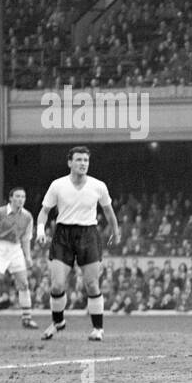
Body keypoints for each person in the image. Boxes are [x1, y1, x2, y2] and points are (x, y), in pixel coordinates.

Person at [36, 145, 121, 341]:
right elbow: (44, 212)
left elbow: (109, 212)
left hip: (88, 234)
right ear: (70, 163)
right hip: (63, 234)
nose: (83, 163)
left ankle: (98, 329)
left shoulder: (98, 186)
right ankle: (58, 322)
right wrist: (40, 231)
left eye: (86, 160)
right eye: (79, 160)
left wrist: (115, 232)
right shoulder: (57, 185)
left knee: (92, 284)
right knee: (57, 285)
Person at [0, 186, 38, 330]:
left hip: (15, 248)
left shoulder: (28, 216)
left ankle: (27, 319)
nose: (20, 199)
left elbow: (26, 238)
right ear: (11, 198)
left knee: (24, 284)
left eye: (23, 196)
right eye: (17, 196)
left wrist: (28, 256)